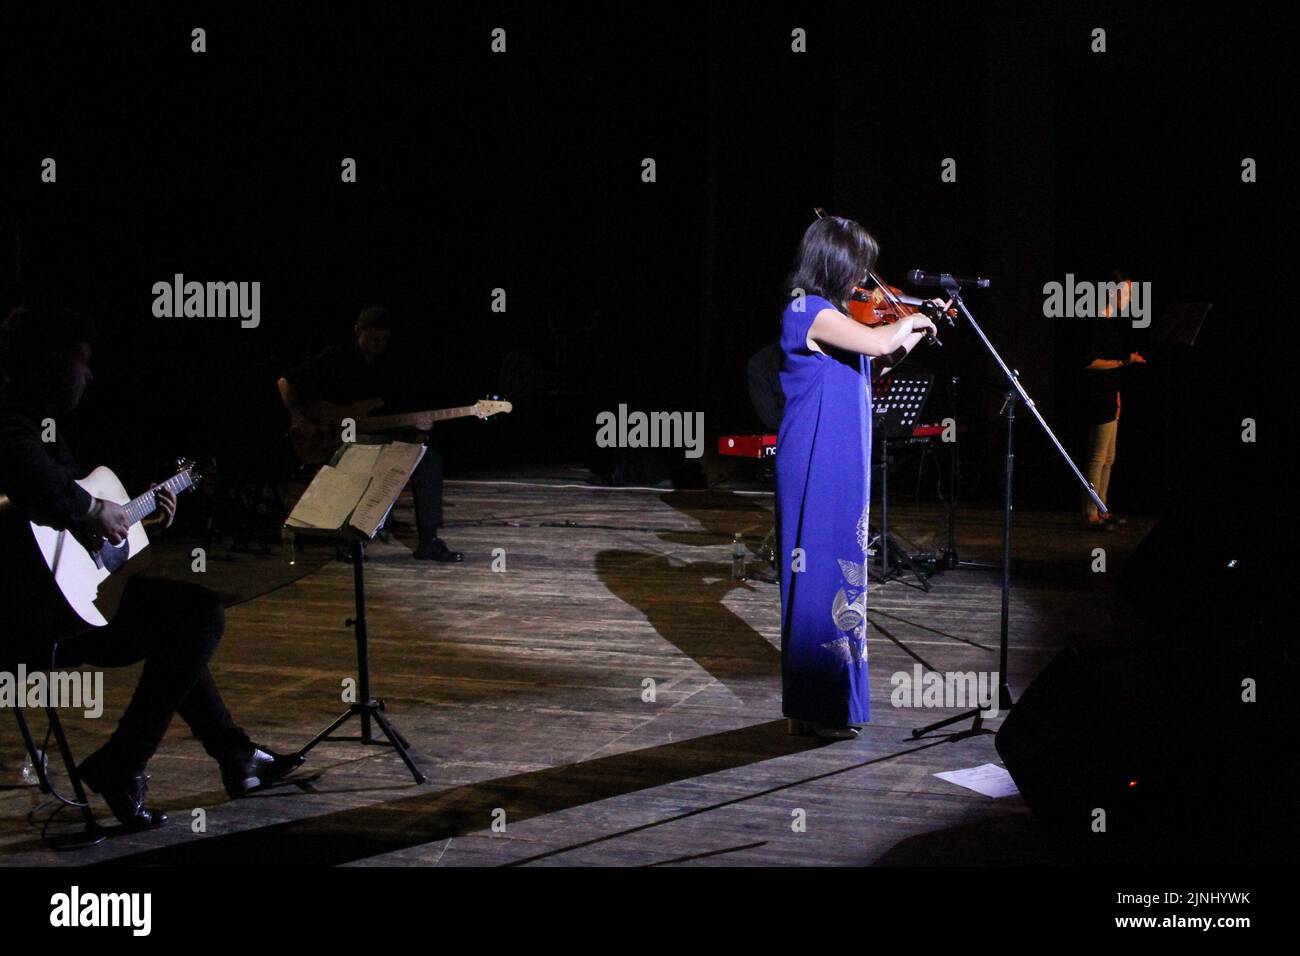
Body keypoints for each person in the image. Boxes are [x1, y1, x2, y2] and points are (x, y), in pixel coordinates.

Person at [0, 304, 303, 829]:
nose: (89, 375)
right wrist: (95, 510)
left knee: (184, 623)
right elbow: (33, 480)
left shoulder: (45, 426)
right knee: (198, 617)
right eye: (81, 360)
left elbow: (71, 532)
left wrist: (134, 522)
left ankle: (232, 755)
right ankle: (126, 763)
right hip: (27, 622)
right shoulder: (10, 420)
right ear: (50, 361)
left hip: (59, 606)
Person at [776, 216, 941, 739]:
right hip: (815, 456)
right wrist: (909, 318)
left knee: (843, 578)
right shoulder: (809, 309)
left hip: (842, 457)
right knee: (818, 578)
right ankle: (814, 705)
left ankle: (827, 706)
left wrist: (920, 325)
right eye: (856, 266)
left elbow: (882, 354)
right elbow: (875, 343)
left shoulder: (841, 318)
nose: (863, 278)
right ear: (833, 262)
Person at [277, 306, 463, 562]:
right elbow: (285, 383)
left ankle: (428, 540)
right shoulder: (336, 355)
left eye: (383, 340)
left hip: (374, 436)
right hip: (340, 438)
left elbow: (393, 410)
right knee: (359, 462)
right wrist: (301, 418)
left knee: (429, 458)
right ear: (358, 332)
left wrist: (416, 424)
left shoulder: (390, 364)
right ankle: (348, 540)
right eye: (373, 338)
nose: (378, 345)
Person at [1080, 275, 1145, 531]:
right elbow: (1088, 362)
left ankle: (1102, 508)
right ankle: (1089, 513)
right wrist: (1123, 362)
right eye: (1125, 293)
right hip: (1097, 396)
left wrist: (1117, 390)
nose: (1128, 299)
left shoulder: (1110, 324)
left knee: (1109, 457)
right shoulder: (1096, 323)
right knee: (1097, 457)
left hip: (1109, 394)